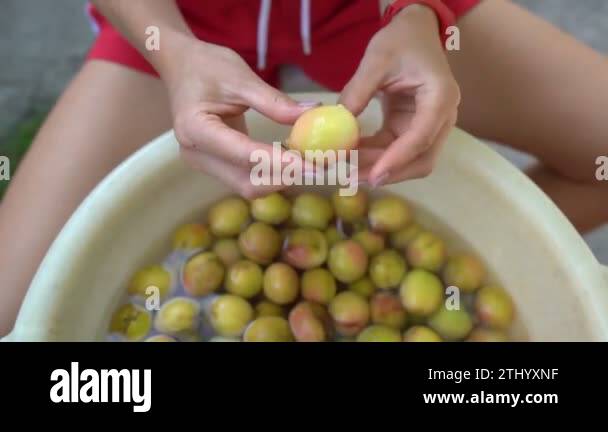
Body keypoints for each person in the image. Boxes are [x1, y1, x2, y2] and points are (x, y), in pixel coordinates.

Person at [0, 0, 607, 336]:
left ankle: (483, 254)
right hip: (184, 22)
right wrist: (173, 51)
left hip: (368, 14)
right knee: (11, 310)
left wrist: (422, 15)